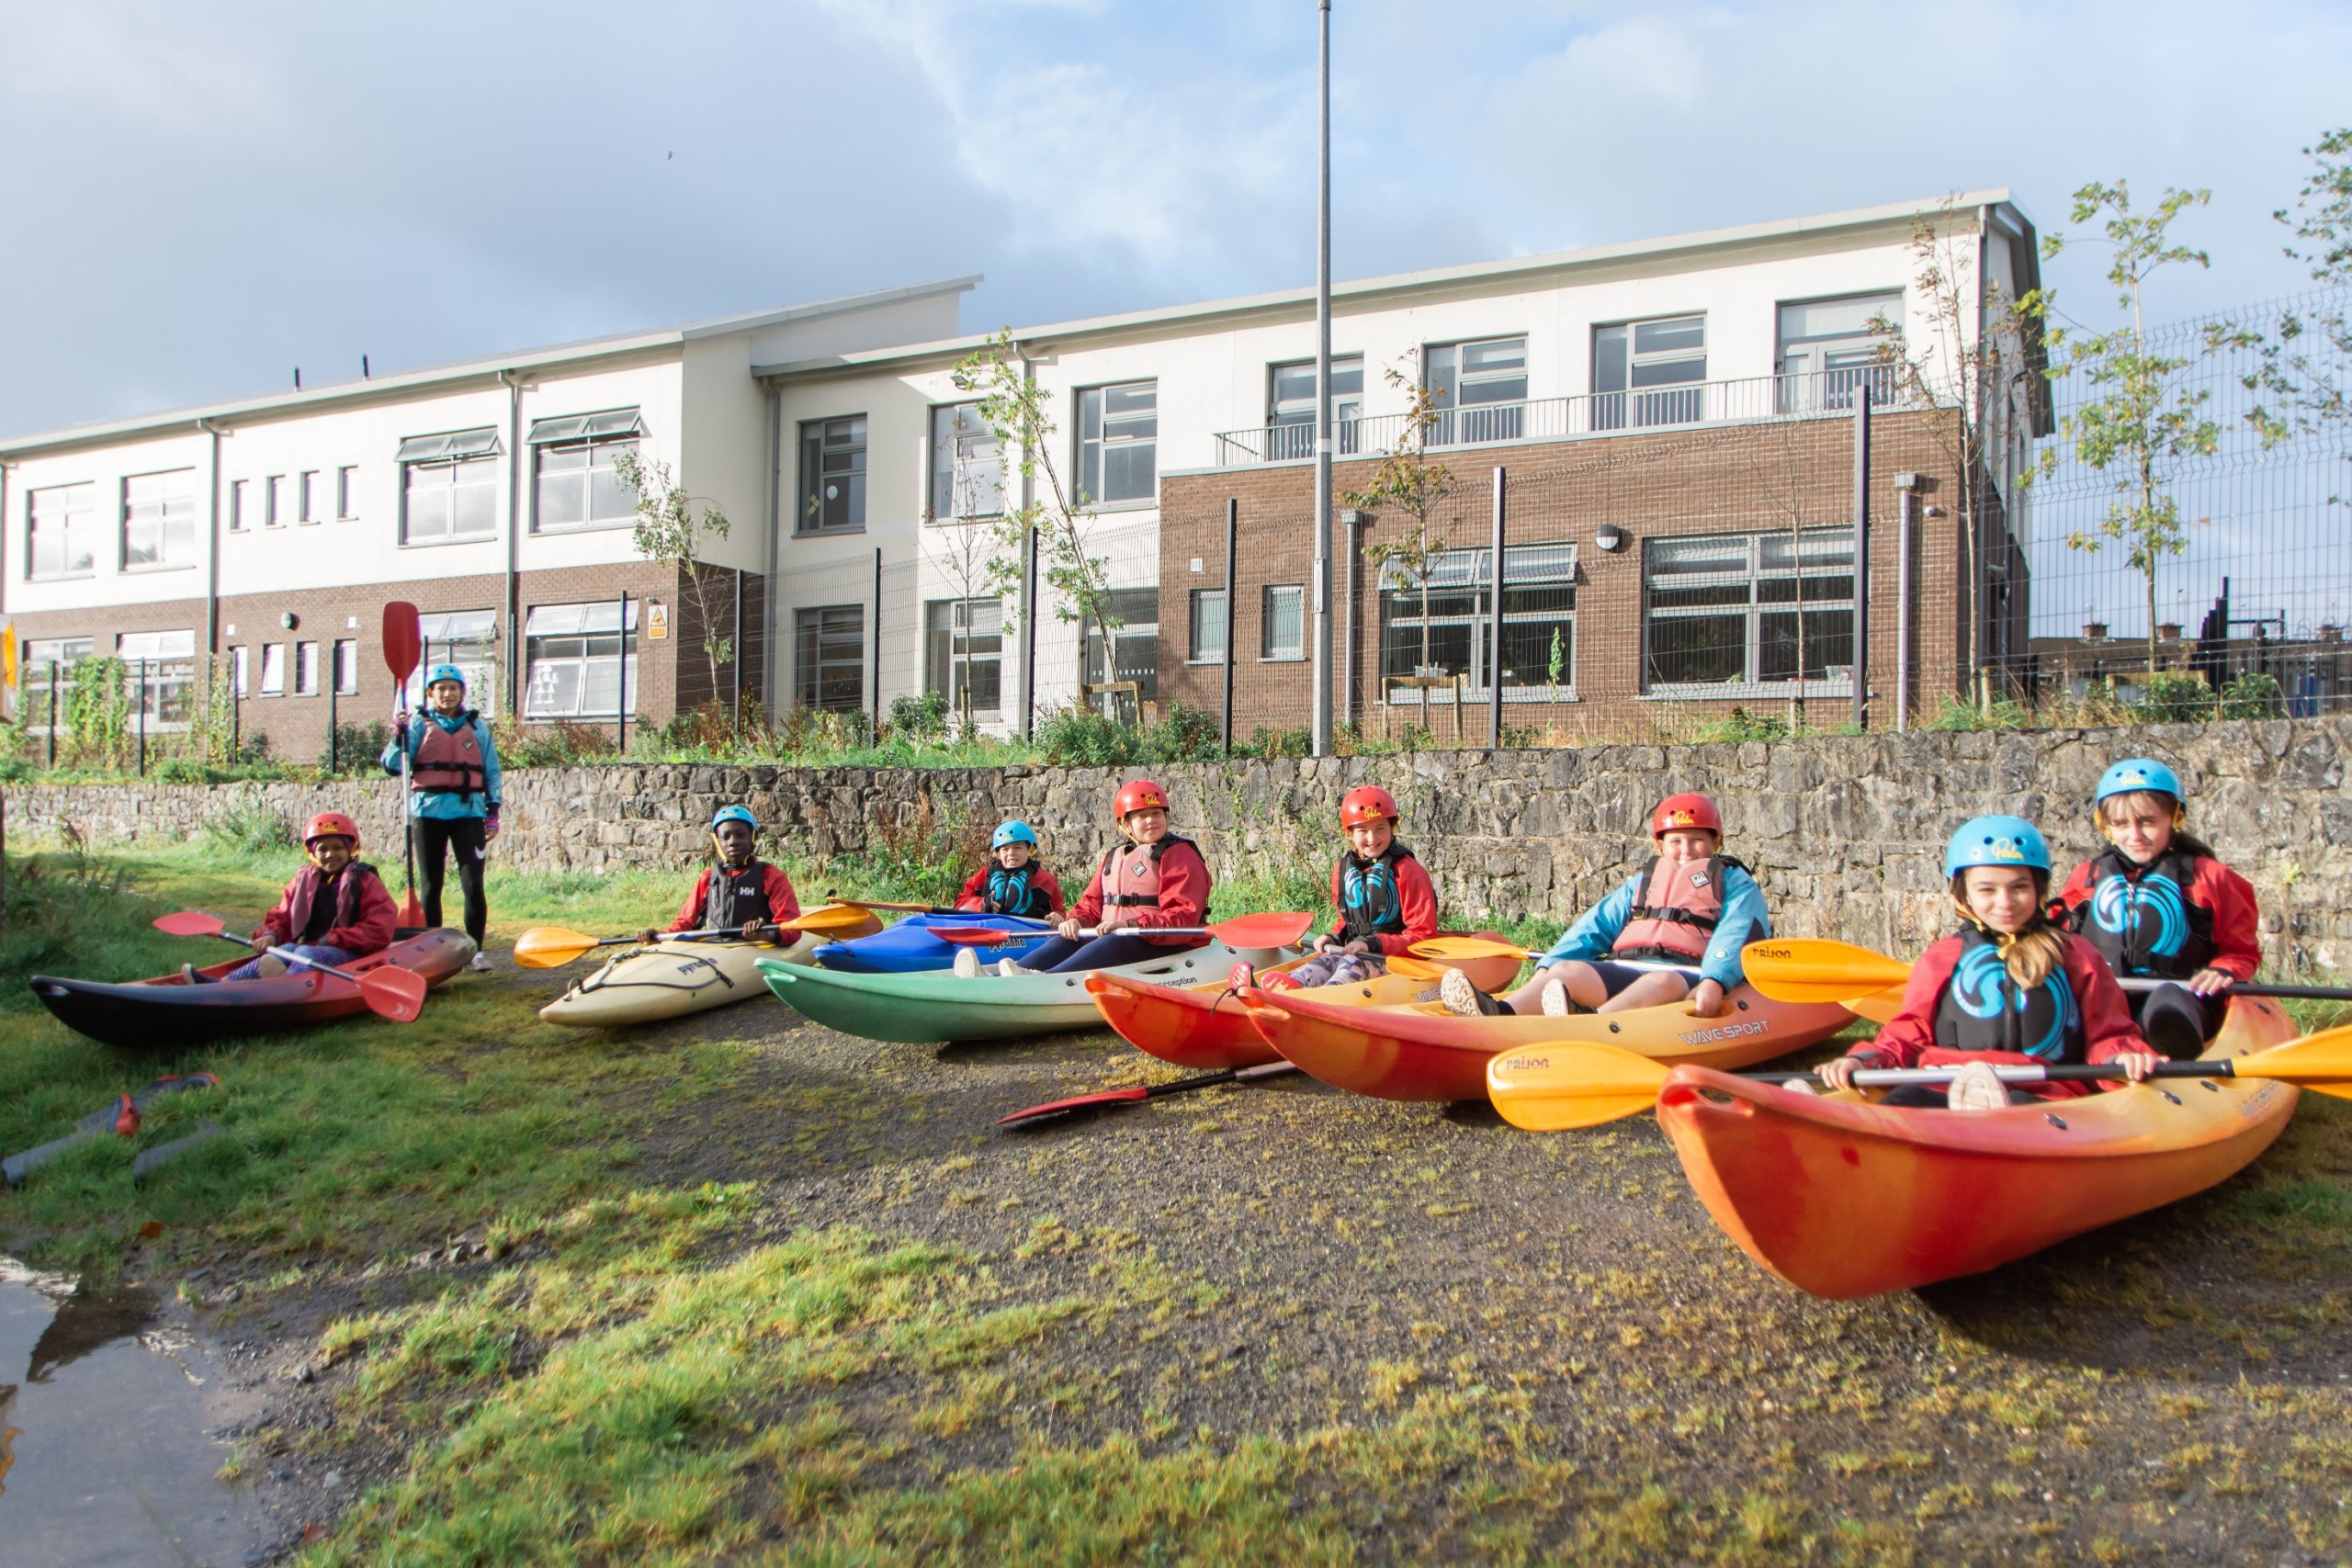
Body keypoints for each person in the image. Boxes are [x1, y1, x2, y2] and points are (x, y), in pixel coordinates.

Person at [1817, 816, 2162, 1111]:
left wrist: (2124, 1056)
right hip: (1947, 1082)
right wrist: (1864, 1059)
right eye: (1987, 890)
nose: (2005, 902)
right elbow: (1909, 1034)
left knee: (2021, 1110)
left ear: (2039, 889)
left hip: (2042, 1091)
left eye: (2019, 887)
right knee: (1902, 1102)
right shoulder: (1943, 957)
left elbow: (2108, 1034)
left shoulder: (2076, 955)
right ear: (1963, 893)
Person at [1441, 793, 1764, 1019]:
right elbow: (1595, 925)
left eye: (1697, 840)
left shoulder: (1734, 882)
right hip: (1628, 966)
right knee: (1564, 972)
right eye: (1676, 841)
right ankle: (1497, 1012)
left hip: (1685, 973)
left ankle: (1592, 1026)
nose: (1686, 850)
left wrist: (1715, 980)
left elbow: (1737, 932)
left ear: (1716, 843)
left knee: (1659, 982)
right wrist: (1552, 962)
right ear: (1660, 845)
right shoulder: (1644, 883)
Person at [2050, 758, 2260, 1061]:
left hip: (2183, 996)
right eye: (2121, 824)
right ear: (2106, 826)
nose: (2135, 835)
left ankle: (2169, 1056)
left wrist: (2225, 969)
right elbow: (2060, 945)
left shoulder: (2212, 878)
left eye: (2148, 821)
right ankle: (2109, 1061)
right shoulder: (2086, 878)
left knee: (2167, 1003)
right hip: (2107, 1001)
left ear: (2174, 817)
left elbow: (2242, 952)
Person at [998, 779, 1212, 976]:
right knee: (1070, 938)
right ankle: (1007, 975)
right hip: (1121, 936)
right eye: (1141, 816)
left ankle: (1040, 981)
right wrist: (1076, 920)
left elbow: (1183, 915)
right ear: (1125, 825)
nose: (1151, 821)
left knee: (1112, 942)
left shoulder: (1179, 854)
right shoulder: (1114, 857)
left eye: (1157, 813)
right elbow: (1091, 905)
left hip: (1161, 941)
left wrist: (1131, 924)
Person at [1258, 785, 1438, 992]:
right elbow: (1346, 922)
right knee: (1322, 963)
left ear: (1391, 827)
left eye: (1380, 828)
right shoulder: (1342, 871)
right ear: (1350, 833)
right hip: (1355, 952)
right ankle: (1279, 990)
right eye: (1363, 830)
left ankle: (1323, 999)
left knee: (1351, 965)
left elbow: (1424, 936)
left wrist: (1373, 944)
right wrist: (1333, 937)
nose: (1372, 839)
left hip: (1394, 960)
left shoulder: (1408, 871)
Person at [382, 662, 501, 971]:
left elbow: (491, 770)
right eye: (441, 689)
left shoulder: (477, 727)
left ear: (462, 692)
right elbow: (392, 764)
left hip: (469, 814)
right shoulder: (418, 725)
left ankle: (475, 952)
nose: (447, 694)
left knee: (473, 885)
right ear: (430, 694)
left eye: (453, 688)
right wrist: (399, 734)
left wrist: (494, 811)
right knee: (431, 886)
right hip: (427, 813)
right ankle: (431, 953)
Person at [191, 812, 396, 983]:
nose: (330, 854)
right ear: (312, 854)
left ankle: (282, 988)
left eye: (338, 848)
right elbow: (282, 915)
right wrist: (270, 935)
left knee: (303, 953)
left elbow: (378, 929)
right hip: (313, 948)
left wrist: (335, 938)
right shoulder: (302, 881)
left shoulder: (365, 880)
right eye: (322, 849)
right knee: (285, 950)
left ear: (350, 849)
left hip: (353, 952)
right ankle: (222, 985)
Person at [637, 806, 800, 944]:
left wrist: (764, 934)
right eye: (725, 837)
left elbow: (791, 930)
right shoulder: (708, 878)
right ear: (718, 842)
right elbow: (686, 922)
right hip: (715, 946)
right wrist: (660, 936)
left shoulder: (771, 876)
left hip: (754, 946)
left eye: (741, 835)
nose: (733, 841)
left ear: (753, 837)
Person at [949, 822, 1066, 977]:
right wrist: (980, 904)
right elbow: (959, 906)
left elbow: (1060, 911)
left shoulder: (1044, 881)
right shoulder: (984, 876)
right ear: (998, 854)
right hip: (988, 931)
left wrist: (1057, 917)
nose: (1011, 853)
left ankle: (1003, 969)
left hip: (1023, 934)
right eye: (1005, 849)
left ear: (1030, 850)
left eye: (1018, 847)